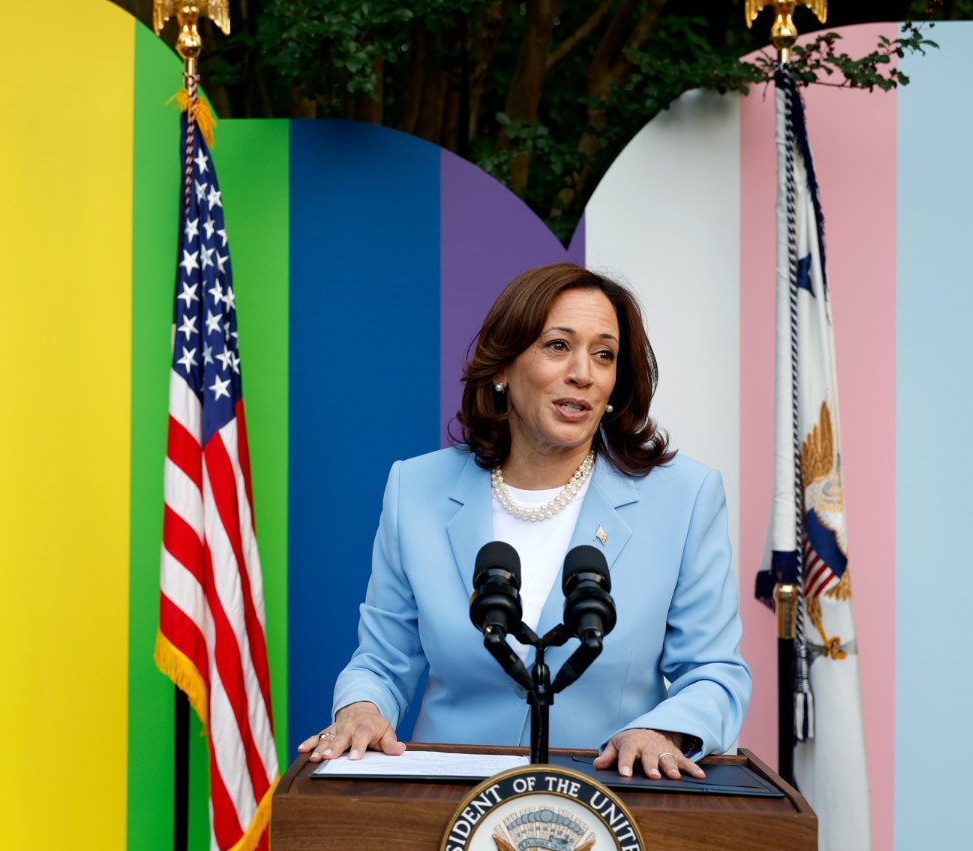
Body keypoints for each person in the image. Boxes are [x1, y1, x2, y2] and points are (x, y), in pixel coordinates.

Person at [297, 262, 751, 780]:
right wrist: (361, 709)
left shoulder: (684, 497)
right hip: (452, 806)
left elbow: (714, 673)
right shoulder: (415, 489)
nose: (583, 372)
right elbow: (382, 661)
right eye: (558, 346)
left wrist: (662, 731)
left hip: (611, 801)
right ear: (501, 367)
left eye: (604, 354)